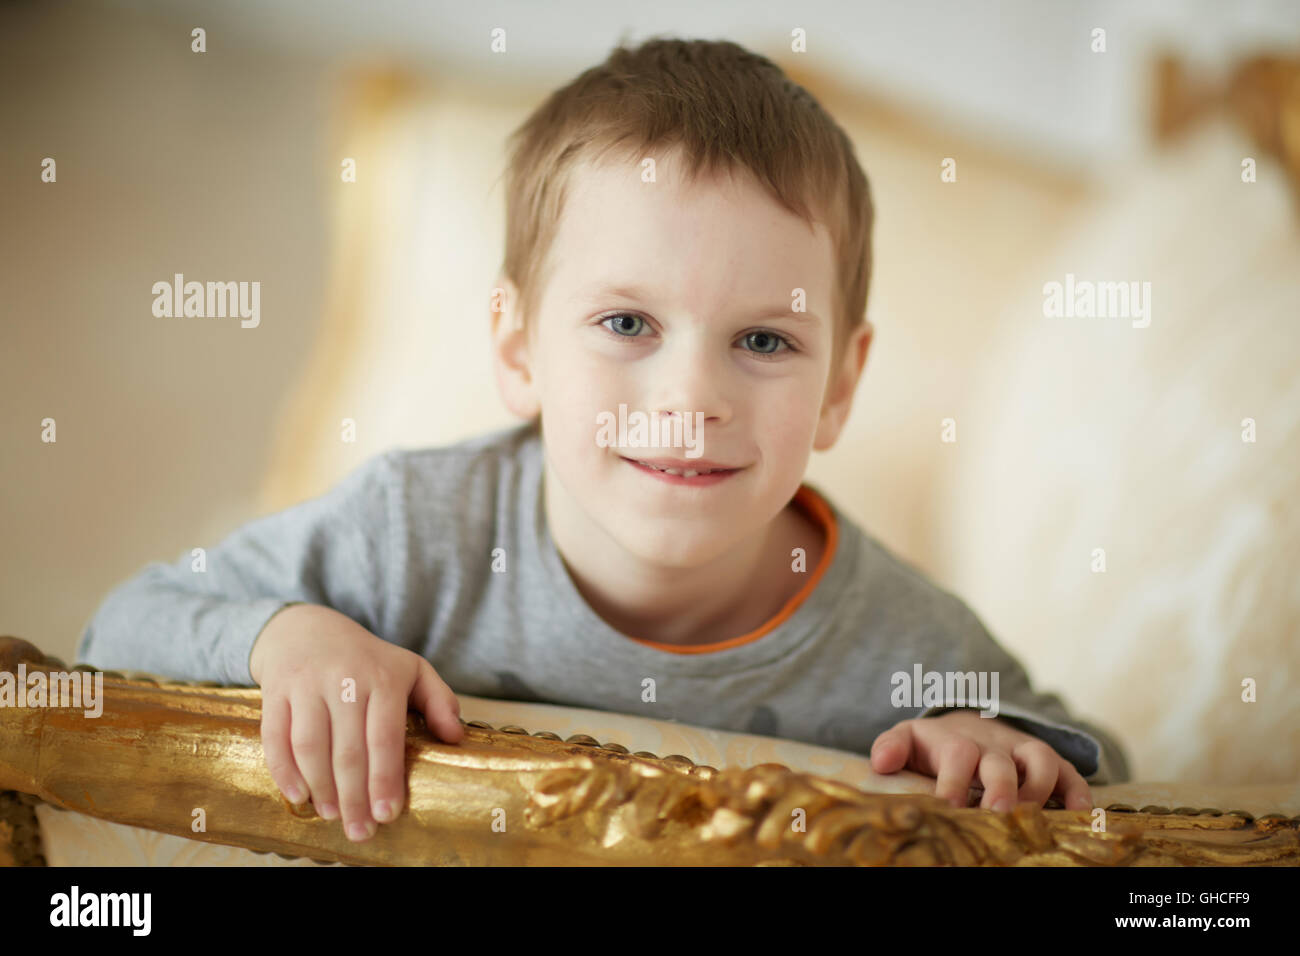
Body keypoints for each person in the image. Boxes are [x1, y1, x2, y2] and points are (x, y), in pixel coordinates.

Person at [78, 37, 1129, 845]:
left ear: (838, 386)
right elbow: (117, 632)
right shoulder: (409, 532)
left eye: (762, 339)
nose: (690, 395)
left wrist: (1008, 752)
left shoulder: (903, 644)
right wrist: (284, 636)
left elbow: (1116, 776)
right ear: (520, 347)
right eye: (627, 323)